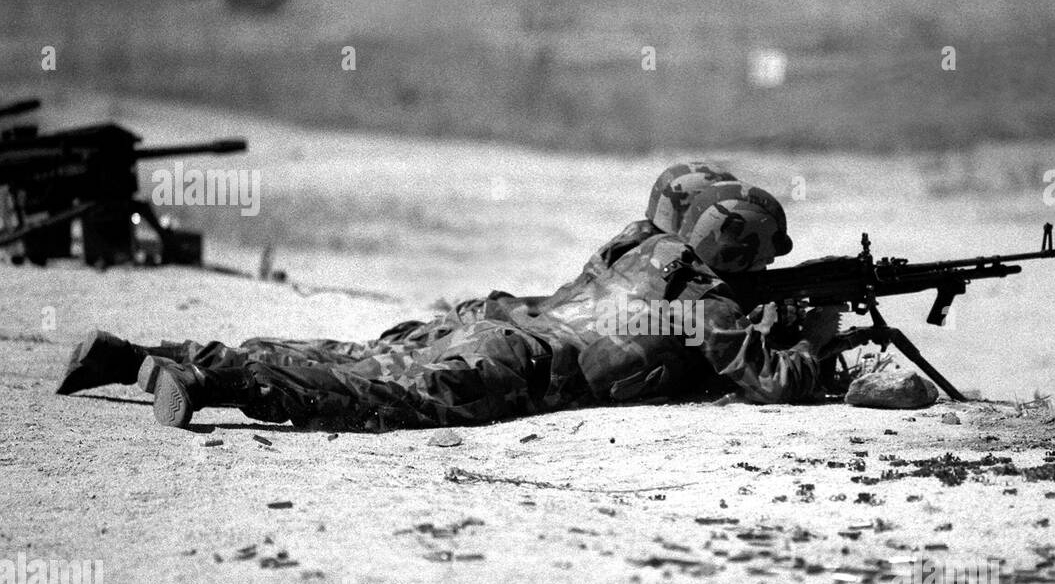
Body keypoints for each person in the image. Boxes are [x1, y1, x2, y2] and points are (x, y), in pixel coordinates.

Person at [57, 164, 851, 431]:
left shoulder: (636, 247)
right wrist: (815, 332)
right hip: (511, 367)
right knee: (355, 390)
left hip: (497, 318)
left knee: (351, 356)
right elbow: (773, 384)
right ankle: (207, 381)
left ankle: (140, 356)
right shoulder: (710, 308)